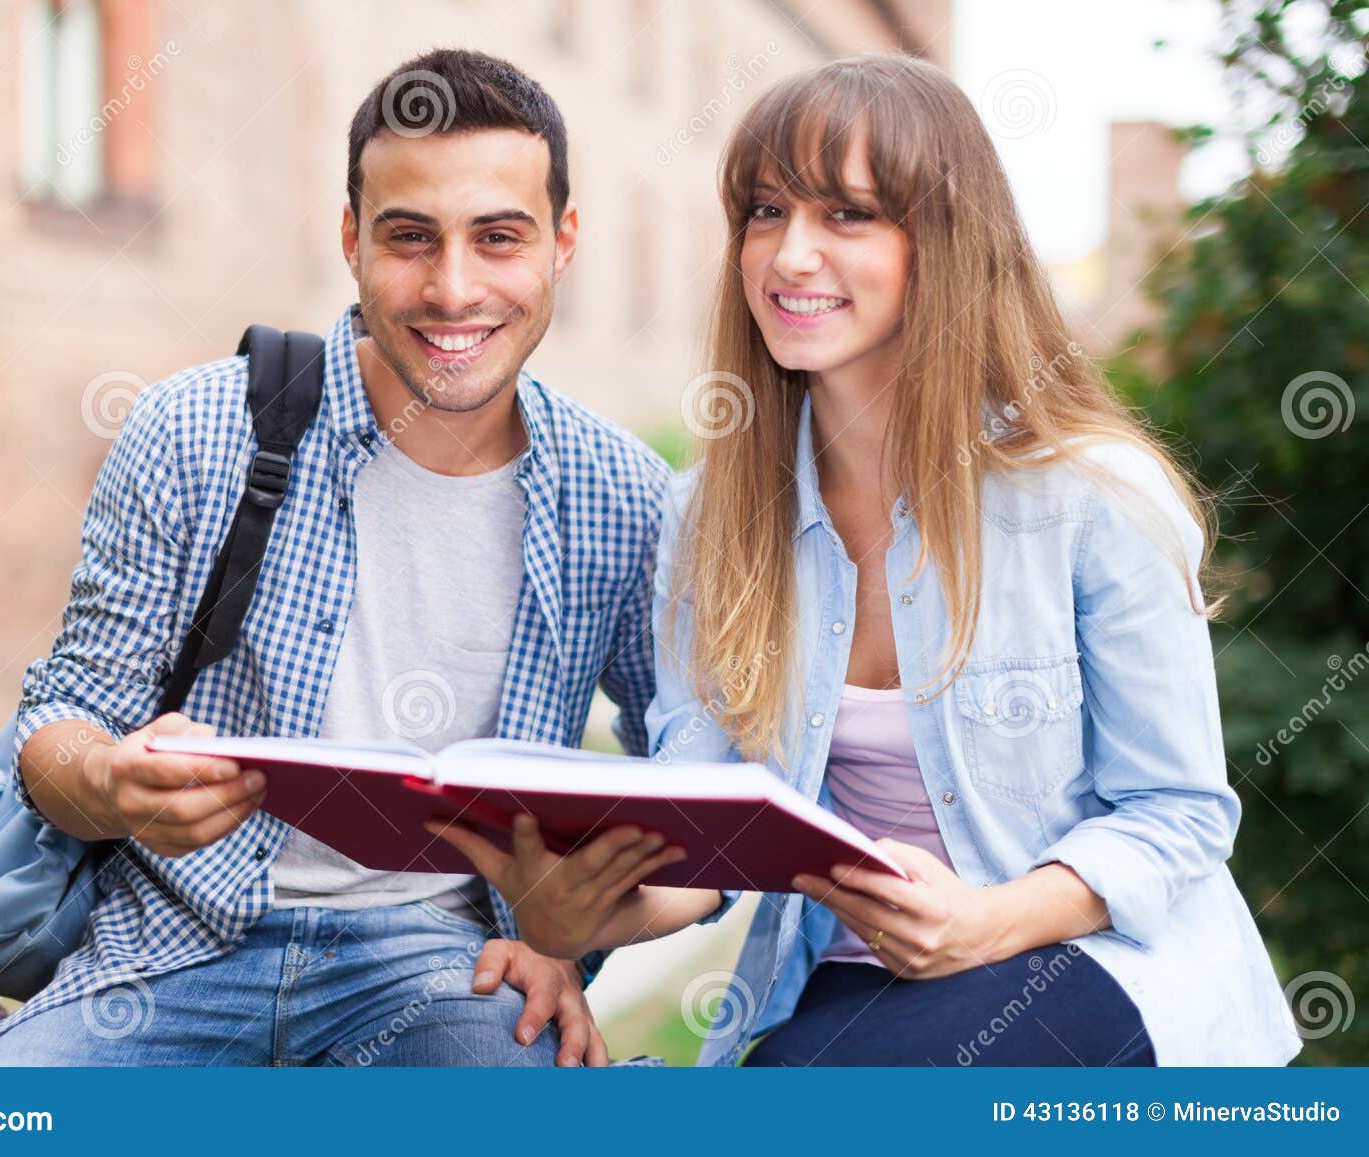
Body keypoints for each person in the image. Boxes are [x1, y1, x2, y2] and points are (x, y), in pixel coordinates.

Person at [429, 53, 1303, 1068]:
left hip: (1089, 951)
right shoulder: (711, 516)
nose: (789, 255)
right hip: (852, 971)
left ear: (940, 243)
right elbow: (705, 831)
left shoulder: (1091, 495)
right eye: (764, 210)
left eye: (846, 214)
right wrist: (575, 921)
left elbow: (1179, 814)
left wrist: (986, 920)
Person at [0, 48, 675, 1068]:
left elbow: (694, 779)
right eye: (408, 238)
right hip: (173, 943)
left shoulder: (624, 495)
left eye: (498, 238)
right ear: (350, 239)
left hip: (447, 965)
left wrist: (571, 927)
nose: (452, 287)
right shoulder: (196, 427)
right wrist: (114, 784)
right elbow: (58, 721)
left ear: (563, 242)